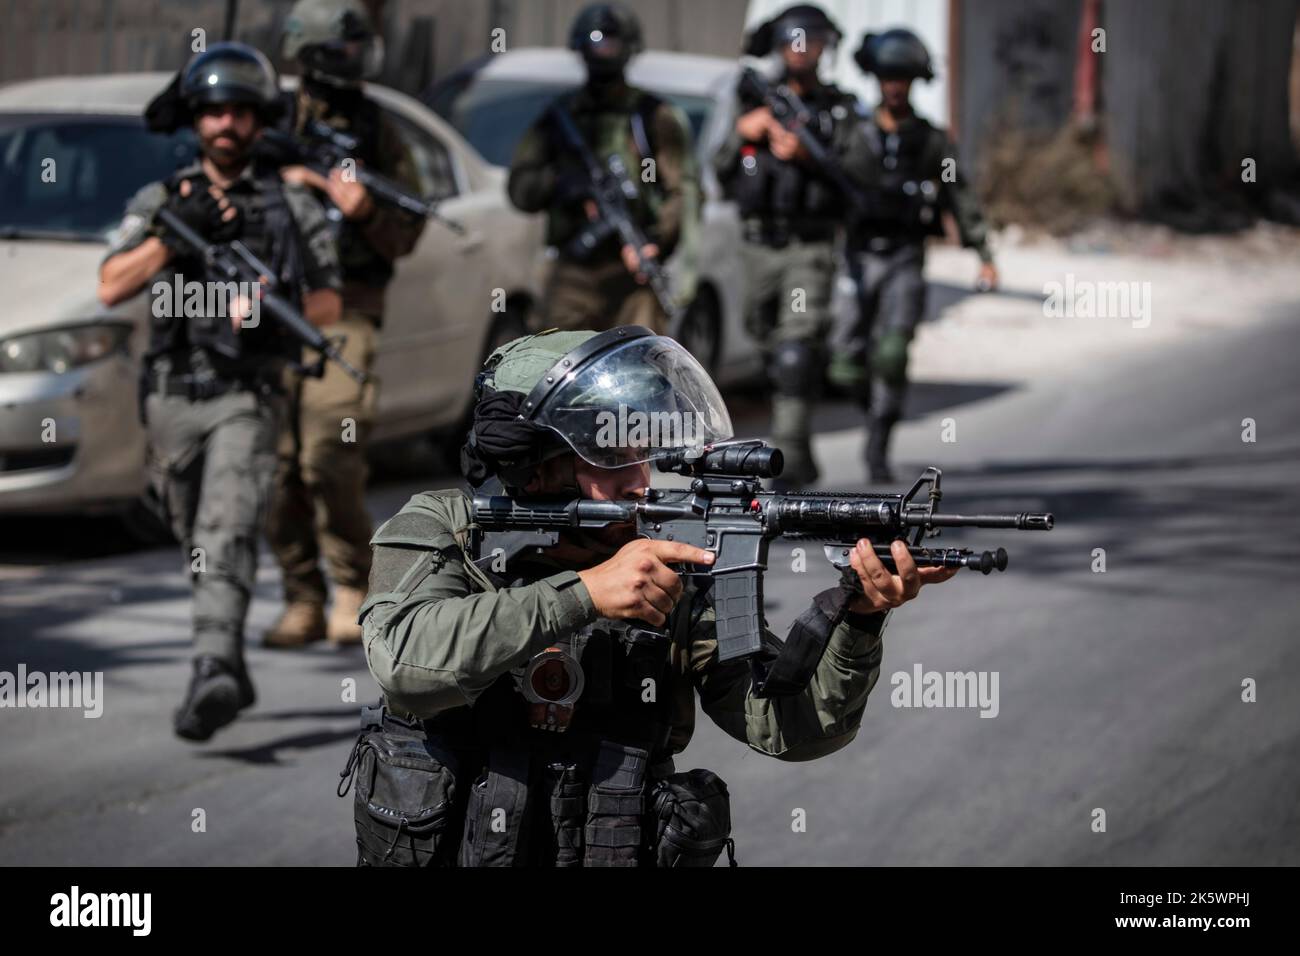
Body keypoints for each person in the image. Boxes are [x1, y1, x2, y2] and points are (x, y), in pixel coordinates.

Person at [351, 326, 957, 866]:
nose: (640, 480)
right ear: (533, 466)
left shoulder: (668, 561)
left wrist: (857, 619)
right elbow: (406, 662)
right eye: (611, 457)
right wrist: (584, 593)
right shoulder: (443, 527)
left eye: (644, 455)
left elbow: (791, 727)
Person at [97, 43, 342, 741]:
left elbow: (326, 303)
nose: (227, 124)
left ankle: (213, 666)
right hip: (171, 397)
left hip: (247, 392)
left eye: (240, 111)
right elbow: (112, 283)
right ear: (196, 119)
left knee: (227, 526)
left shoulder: (290, 203)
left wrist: (271, 305)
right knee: (193, 534)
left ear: (259, 119)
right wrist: (176, 242)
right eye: (214, 111)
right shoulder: (164, 200)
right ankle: (225, 656)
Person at [264, 0, 426, 647]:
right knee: (275, 468)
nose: (358, 63)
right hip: (270, 308)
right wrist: (290, 181)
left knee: (331, 449)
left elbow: (405, 232)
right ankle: (301, 594)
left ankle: (352, 584)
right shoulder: (272, 118)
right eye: (345, 51)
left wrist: (361, 211)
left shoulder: (375, 128)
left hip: (348, 308)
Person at [831, 28, 998, 481]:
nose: (894, 86)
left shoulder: (931, 142)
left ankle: (878, 444)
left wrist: (982, 251)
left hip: (905, 256)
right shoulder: (852, 134)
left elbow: (959, 196)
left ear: (915, 81)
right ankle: (874, 409)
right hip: (857, 256)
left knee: (890, 354)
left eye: (903, 77)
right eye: (887, 76)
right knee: (844, 363)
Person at [713, 3, 861, 490]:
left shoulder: (838, 109)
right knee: (768, 346)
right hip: (758, 245)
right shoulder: (753, 101)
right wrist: (743, 133)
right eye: (794, 42)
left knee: (796, 353)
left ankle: (789, 460)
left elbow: (857, 180)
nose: (802, 52)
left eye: (812, 42)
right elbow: (718, 169)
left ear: (825, 48)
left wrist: (808, 157)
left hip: (809, 246)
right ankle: (798, 445)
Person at [506, 2, 699, 334]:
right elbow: (520, 190)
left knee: (642, 369)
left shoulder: (653, 116)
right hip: (574, 272)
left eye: (612, 43)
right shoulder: (559, 117)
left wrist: (657, 242)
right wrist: (562, 184)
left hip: (633, 272)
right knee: (557, 367)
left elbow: (683, 190)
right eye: (597, 43)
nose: (604, 52)